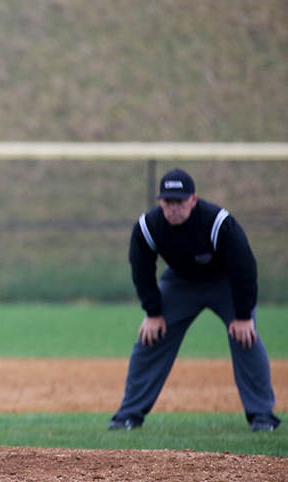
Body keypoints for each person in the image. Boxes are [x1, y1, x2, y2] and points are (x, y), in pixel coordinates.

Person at [109, 168, 280, 433]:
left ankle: (262, 416)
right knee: (150, 337)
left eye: (179, 201)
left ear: (194, 200)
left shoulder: (217, 222)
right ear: (160, 202)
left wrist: (244, 315)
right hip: (181, 284)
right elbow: (141, 270)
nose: (173, 208)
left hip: (226, 283)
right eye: (167, 202)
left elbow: (244, 267)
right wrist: (153, 312)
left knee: (245, 338)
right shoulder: (149, 226)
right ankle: (128, 415)